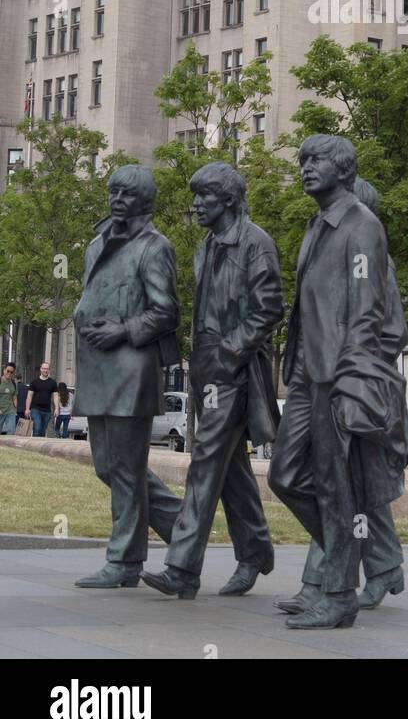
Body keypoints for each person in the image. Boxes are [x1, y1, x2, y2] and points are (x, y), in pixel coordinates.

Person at [269, 135, 408, 631]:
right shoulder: (317, 226)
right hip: (307, 373)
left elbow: (368, 312)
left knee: (335, 485)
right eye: (303, 159)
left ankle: (337, 592)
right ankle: (340, 565)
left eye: (317, 160)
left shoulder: (361, 228)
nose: (306, 167)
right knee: (284, 475)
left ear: (343, 168)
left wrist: (350, 375)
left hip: (337, 375)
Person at [143, 162, 284, 600]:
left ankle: (183, 569)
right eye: (195, 195)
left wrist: (229, 352)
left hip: (235, 370)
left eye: (204, 196)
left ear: (227, 198)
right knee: (231, 470)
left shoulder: (255, 243)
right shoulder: (207, 244)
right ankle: (256, 550)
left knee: (205, 463)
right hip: (206, 368)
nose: (196, 204)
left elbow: (268, 308)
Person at [73, 165, 184, 590]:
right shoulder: (97, 243)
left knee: (124, 468)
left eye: (127, 193)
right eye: (113, 191)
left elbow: (166, 311)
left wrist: (122, 329)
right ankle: (183, 528)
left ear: (145, 202)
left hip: (130, 370)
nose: (117, 199)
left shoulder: (154, 247)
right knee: (111, 466)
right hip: (98, 368)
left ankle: (124, 562)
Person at [26, 363, 59, 437]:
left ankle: (39, 447)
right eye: (44, 368)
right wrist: (27, 409)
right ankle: (34, 446)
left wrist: (57, 409)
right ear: (41, 369)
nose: (45, 370)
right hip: (35, 409)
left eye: (47, 369)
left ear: (49, 370)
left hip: (47, 411)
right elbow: (29, 396)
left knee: (43, 431)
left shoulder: (52, 382)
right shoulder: (34, 382)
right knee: (37, 428)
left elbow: (56, 396)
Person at [0, 363, 17, 436]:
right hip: (0, 410)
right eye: (8, 371)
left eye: (11, 372)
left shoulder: (14, 383)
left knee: (11, 432)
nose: (9, 373)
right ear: (4, 370)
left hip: (10, 411)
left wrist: (15, 409)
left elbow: (14, 397)